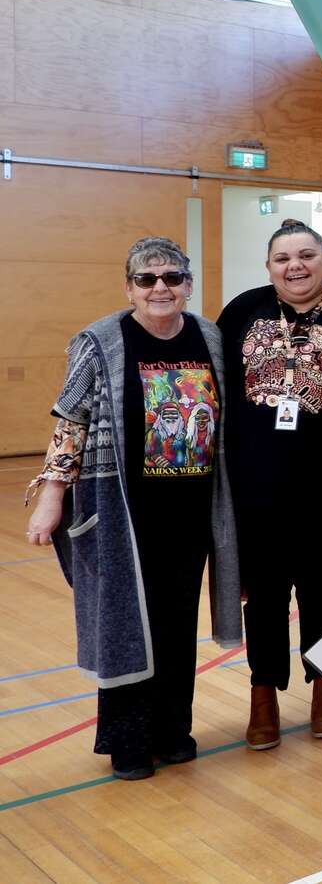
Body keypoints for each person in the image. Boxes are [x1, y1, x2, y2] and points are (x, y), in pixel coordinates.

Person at [23, 237, 240, 781]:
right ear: (130, 288)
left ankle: (172, 729)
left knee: (174, 621)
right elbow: (71, 421)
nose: (160, 288)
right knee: (125, 623)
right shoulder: (100, 341)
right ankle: (128, 742)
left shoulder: (208, 335)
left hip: (191, 510)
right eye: (147, 280)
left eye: (171, 278)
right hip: (122, 510)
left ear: (187, 284)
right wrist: (51, 495)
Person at [218, 219, 322, 751]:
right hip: (255, 487)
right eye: (284, 258)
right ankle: (261, 693)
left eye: (307, 255)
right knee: (262, 596)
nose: (296, 266)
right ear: (269, 267)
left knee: (320, 592)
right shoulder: (241, 311)